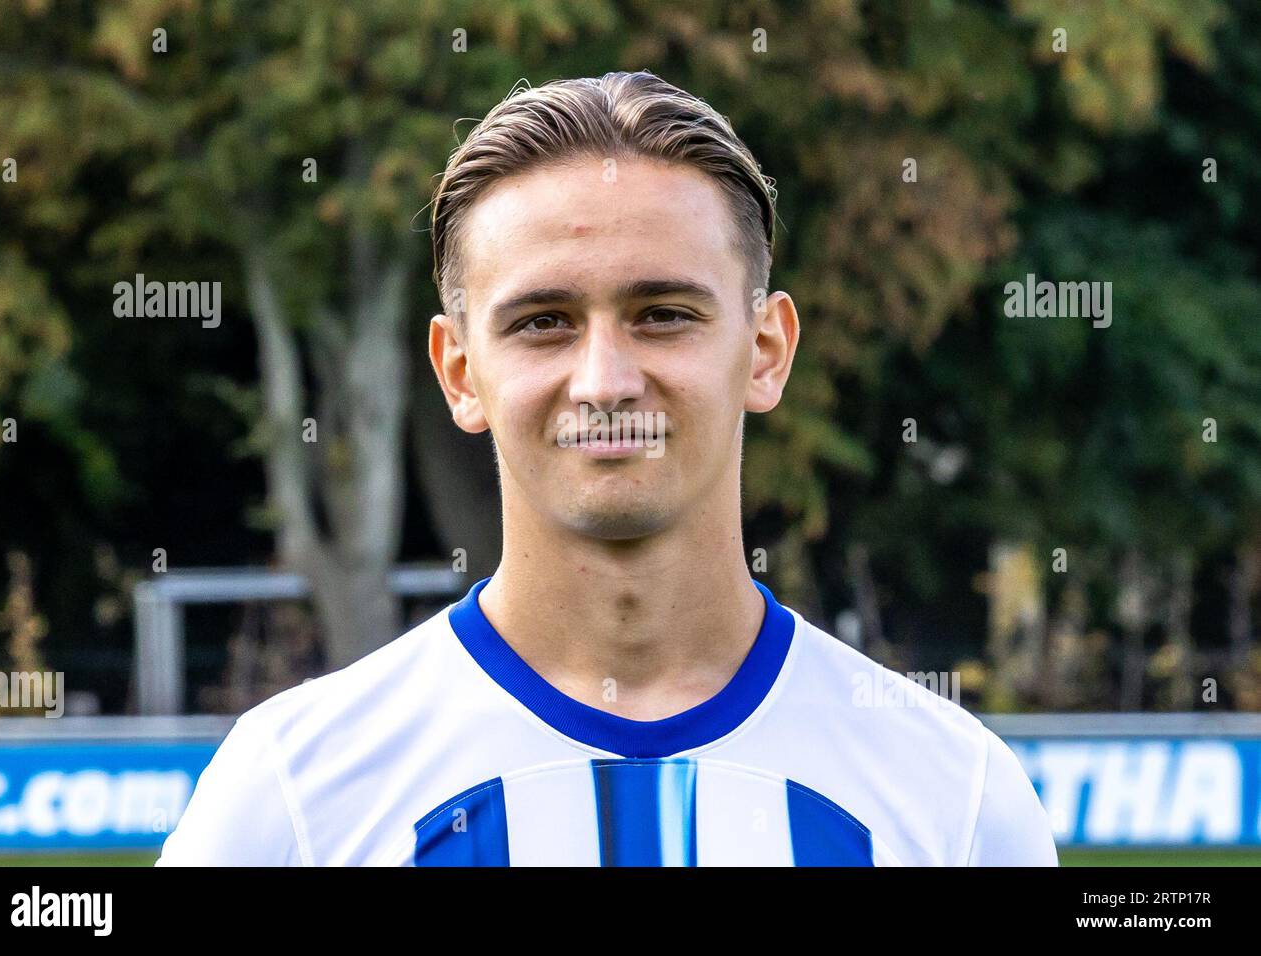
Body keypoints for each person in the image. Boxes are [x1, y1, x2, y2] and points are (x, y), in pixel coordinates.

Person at [157, 71, 1057, 866]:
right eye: (543, 322)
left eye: (663, 313)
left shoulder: (954, 799)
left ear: (767, 350)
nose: (605, 382)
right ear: (459, 374)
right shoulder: (292, 799)